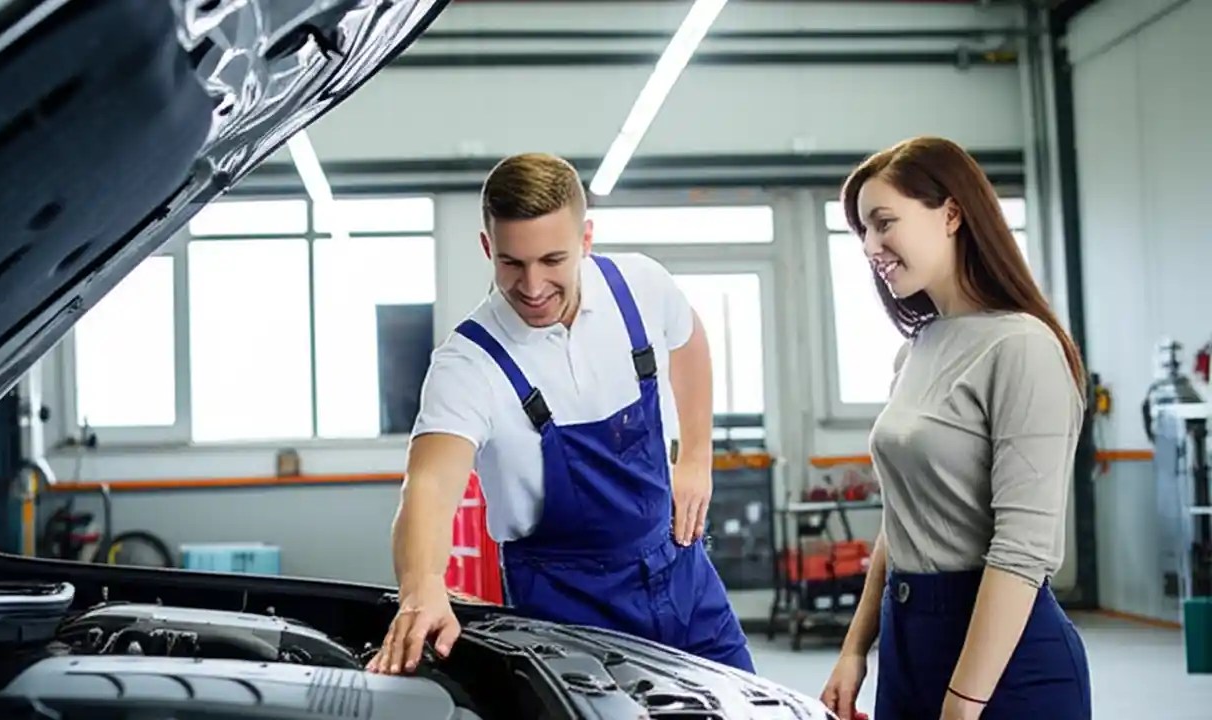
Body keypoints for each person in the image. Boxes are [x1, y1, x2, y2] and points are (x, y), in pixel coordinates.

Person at [365, 152, 754, 676]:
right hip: (565, 610)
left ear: (585, 240)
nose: (531, 286)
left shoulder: (639, 287)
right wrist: (422, 587)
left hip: (679, 575)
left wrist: (697, 456)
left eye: (553, 261)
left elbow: (689, 339)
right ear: (488, 247)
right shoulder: (469, 362)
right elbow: (429, 485)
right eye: (512, 263)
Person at [819, 137, 1092, 720]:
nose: (870, 246)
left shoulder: (1022, 347)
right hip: (907, 642)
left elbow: (1022, 551)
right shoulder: (917, 349)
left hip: (1005, 661)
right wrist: (855, 650)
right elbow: (902, 522)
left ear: (951, 213)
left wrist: (964, 704)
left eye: (883, 222)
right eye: (861, 231)